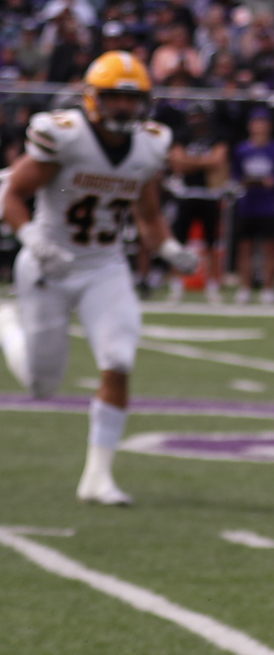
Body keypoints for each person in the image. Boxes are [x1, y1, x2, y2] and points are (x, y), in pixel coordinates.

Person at [0, 53, 196, 504]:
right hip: (49, 263)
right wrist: (32, 238)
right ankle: (10, 329)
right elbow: (13, 193)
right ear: (92, 98)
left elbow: (147, 214)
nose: (123, 108)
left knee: (120, 360)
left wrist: (167, 249)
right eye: (113, 98)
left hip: (104, 265)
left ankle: (97, 477)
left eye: (131, 99)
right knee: (41, 383)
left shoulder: (149, 145)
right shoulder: (64, 137)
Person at [164, 104, 227, 301]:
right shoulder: (183, 135)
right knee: (179, 242)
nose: (197, 120)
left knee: (211, 243)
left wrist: (189, 162)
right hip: (186, 193)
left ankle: (212, 284)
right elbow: (177, 162)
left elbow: (218, 160)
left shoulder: (217, 135)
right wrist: (203, 162)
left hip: (209, 194)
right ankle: (176, 284)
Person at [230, 108, 274, 305]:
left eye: (263, 122)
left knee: (269, 248)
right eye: (256, 122)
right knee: (245, 247)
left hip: (268, 204)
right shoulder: (242, 149)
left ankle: (268, 287)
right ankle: (245, 287)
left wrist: (273, 182)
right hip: (248, 203)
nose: (260, 126)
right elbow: (235, 174)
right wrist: (244, 181)